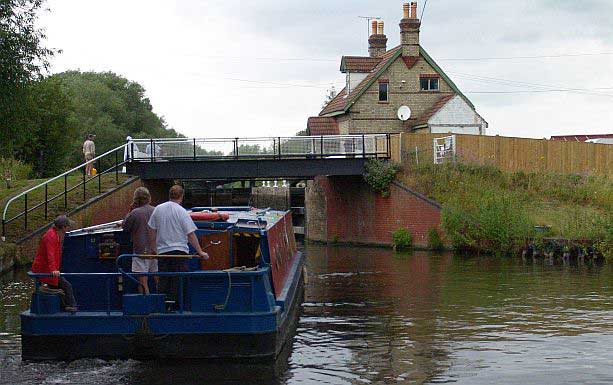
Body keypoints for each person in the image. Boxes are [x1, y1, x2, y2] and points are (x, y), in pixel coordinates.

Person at [148, 185, 208, 308]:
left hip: (163, 252)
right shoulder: (182, 211)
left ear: (169, 195)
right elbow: (190, 234)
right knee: (179, 279)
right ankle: (176, 306)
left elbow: (151, 230)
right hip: (179, 252)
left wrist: (153, 248)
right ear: (181, 197)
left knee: (164, 279)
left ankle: (162, 305)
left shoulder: (158, 209)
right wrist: (200, 252)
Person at [31, 215, 77, 312]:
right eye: (67, 226)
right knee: (67, 286)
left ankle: (62, 307)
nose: (68, 228)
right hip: (44, 269)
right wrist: (53, 270)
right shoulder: (51, 237)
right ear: (63, 227)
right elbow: (50, 254)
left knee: (60, 285)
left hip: (47, 268)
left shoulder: (54, 234)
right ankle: (71, 307)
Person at [122, 187, 157, 294]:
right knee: (158, 278)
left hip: (140, 251)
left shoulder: (135, 213)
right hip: (156, 250)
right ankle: (163, 302)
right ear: (149, 198)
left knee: (142, 281)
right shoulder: (156, 210)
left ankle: (145, 303)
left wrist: (129, 211)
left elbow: (126, 227)